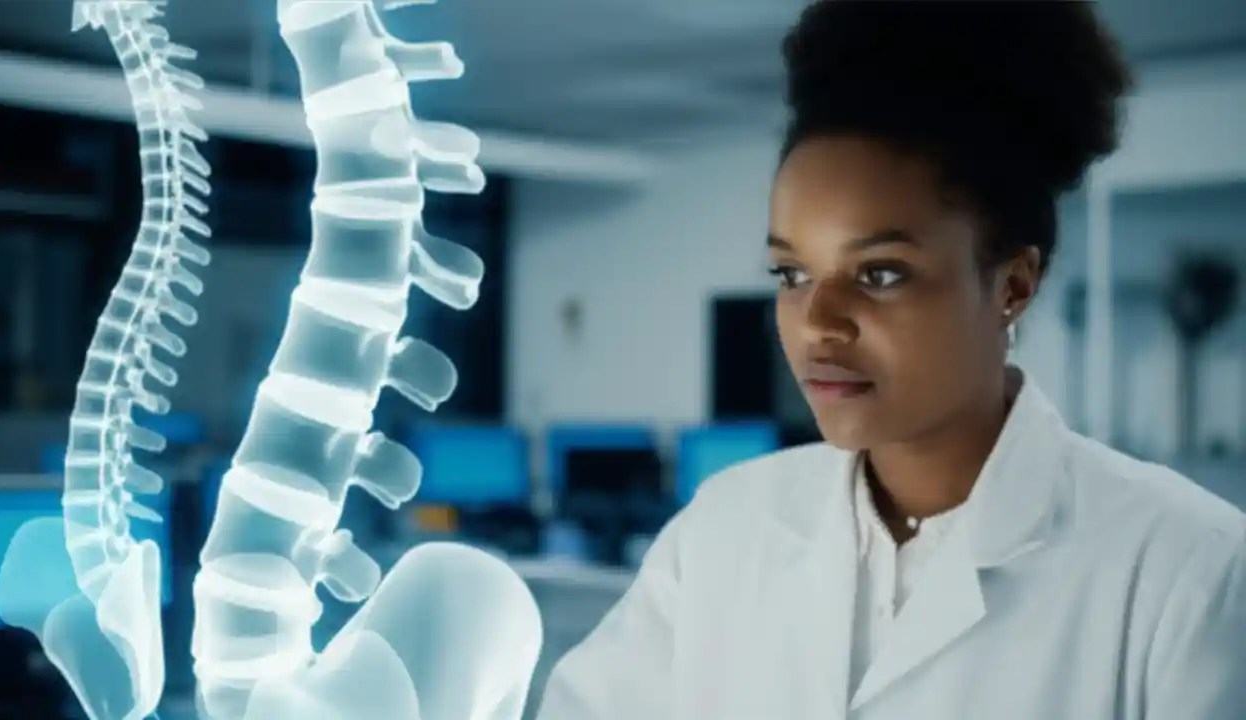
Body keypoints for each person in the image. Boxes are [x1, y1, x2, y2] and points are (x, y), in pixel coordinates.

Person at [534, 1, 1246, 718]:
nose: (819, 323)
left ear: (1012, 285)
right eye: (791, 275)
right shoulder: (723, 530)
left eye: (880, 274)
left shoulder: (1188, 571)